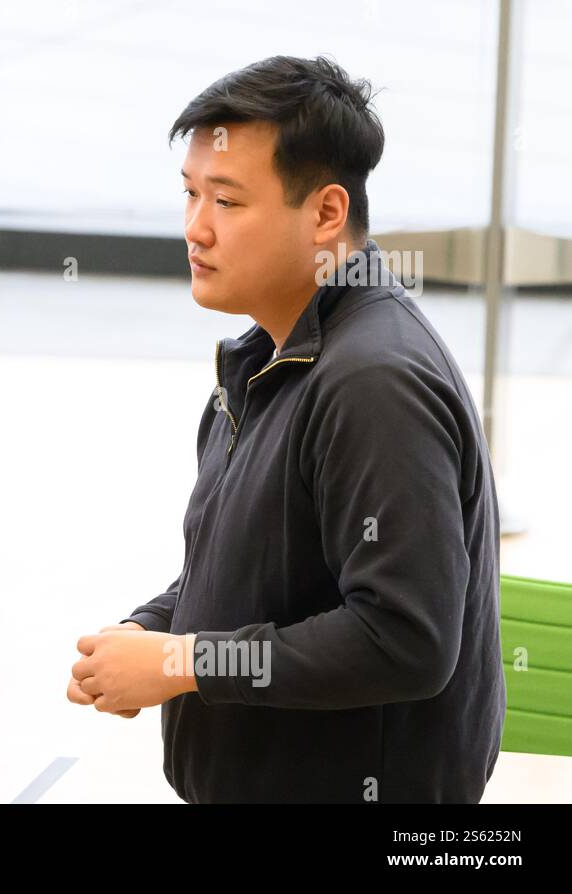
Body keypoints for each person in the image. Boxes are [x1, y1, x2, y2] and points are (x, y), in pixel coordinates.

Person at [66, 55, 505, 803]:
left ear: (327, 214)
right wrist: (154, 630)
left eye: (228, 203)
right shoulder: (272, 352)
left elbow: (405, 639)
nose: (195, 229)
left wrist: (184, 663)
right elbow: (265, 570)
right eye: (190, 195)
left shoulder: (374, 383)